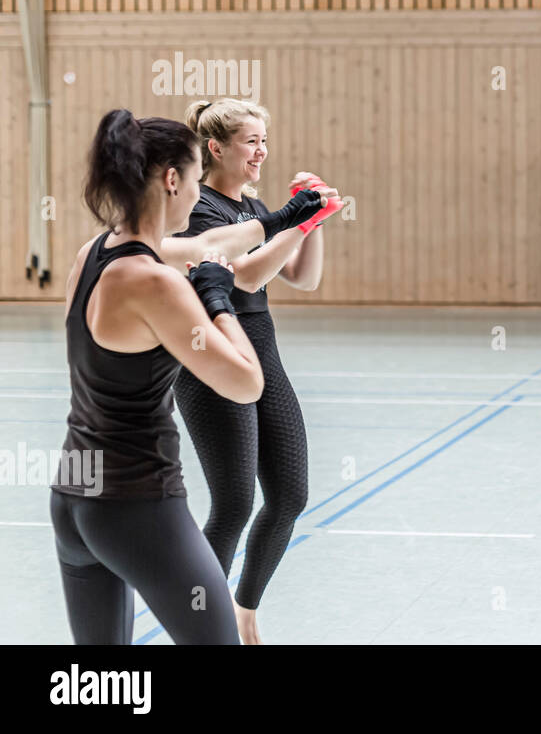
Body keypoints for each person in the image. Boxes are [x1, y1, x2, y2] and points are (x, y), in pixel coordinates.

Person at [50, 109, 323, 644]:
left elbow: (204, 248)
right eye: (197, 181)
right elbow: (246, 381)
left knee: (102, 683)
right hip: (136, 504)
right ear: (172, 181)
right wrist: (219, 300)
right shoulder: (157, 284)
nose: (200, 196)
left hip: (74, 496)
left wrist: (284, 218)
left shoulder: (94, 254)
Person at [172, 98, 341, 645]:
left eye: (264, 141)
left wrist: (309, 225)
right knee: (235, 503)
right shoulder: (200, 210)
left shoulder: (254, 205)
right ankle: (199, 622)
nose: (261, 151)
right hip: (212, 360)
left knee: (290, 495)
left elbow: (301, 277)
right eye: (251, 141)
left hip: (262, 351)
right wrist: (298, 220)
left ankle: (244, 609)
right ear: (216, 148)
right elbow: (242, 277)